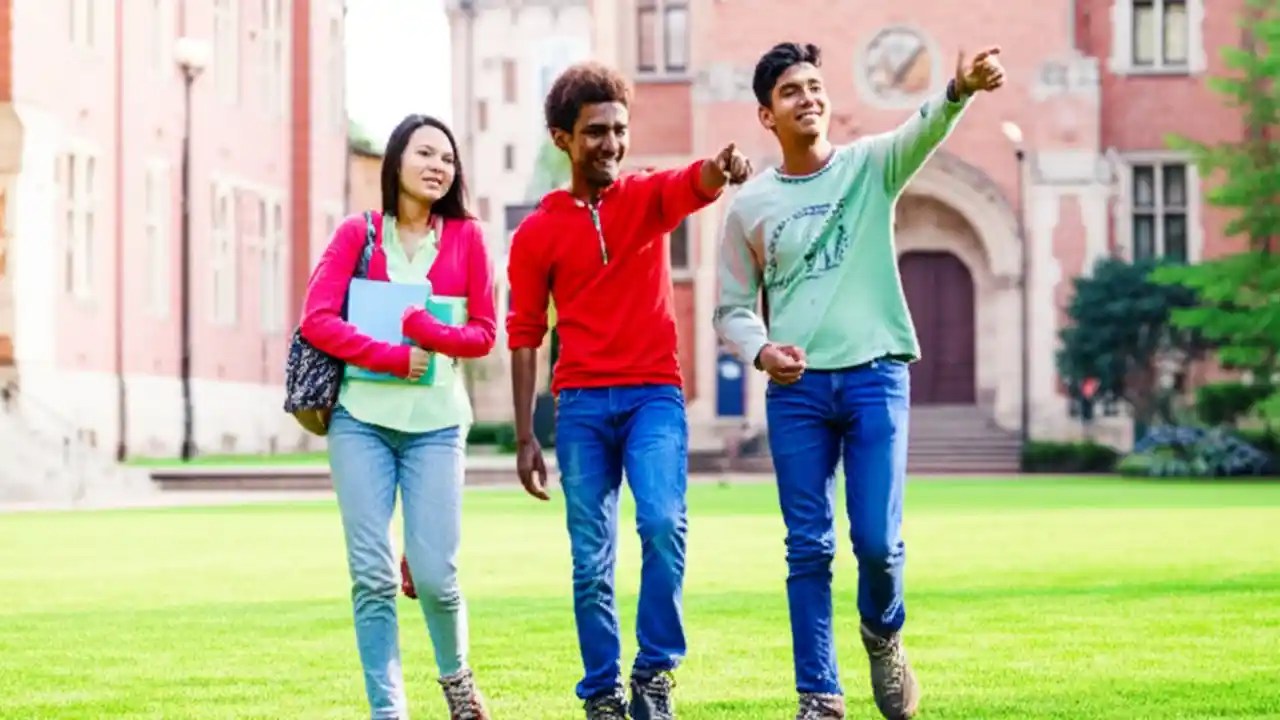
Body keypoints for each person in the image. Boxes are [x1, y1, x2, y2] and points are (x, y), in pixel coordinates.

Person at [712, 42, 1006, 720]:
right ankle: (820, 694)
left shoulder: (871, 167)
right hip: (798, 393)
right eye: (791, 91)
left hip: (876, 375)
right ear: (767, 115)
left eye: (815, 85)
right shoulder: (749, 206)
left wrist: (960, 87)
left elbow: (922, 128)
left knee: (877, 541)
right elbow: (729, 308)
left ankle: (883, 632)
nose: (808, 97)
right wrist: (761, 354)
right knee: (807, 546)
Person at [505, 62, 751, 720]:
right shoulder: (536, 233)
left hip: (653, 397)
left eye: (619, 129)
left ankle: (654, 671)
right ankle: (601, 693)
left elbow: (691, 183)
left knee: (664, 524)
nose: (611, 143)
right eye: (595, 132)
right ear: (563, 139)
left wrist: (719, 168)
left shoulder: (645, 199)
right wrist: (526, 435)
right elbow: (525, 333)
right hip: (582, 405)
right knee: (591, 559)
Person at [299, 113, 497, 720]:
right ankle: (389, 711)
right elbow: (317, 320)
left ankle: (457, 681)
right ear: (396, 162)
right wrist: (391, 355)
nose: (439, 166)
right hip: (360, 421)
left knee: (436, 573)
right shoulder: (357, 235)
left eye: (448, 158)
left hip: (436, 426)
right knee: (373, 576)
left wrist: (426, 333)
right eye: (426, 153)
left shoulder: (467, 239)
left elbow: (485, 333)